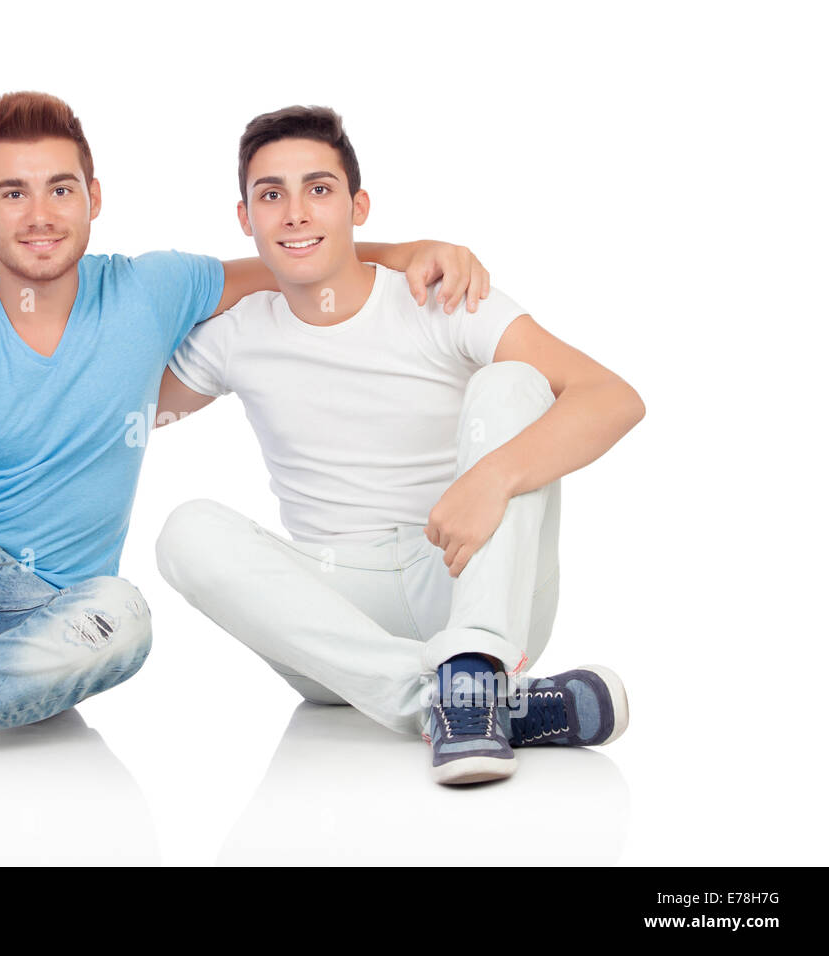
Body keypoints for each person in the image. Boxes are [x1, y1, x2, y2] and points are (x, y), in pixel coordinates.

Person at [0, 90, 494, 832]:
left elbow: (302, 259)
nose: (39, 214)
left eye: (60, 188)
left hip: (54, 621)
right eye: (13, 192)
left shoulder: (151, 290)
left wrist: (414, 246)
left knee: (127, 619)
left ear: (94, 198)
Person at [146, 105, 646, 785]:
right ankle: (459, 704)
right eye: (271, 196)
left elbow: (611, 397)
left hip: (469, 577)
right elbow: (117, 414)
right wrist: (0, 310)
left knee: (513, 383)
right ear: (246, 219)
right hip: (340, 626)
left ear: (358, 206)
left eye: (318, 190)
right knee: (185, 531)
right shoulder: (235, 333)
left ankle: (474, 671)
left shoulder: (438, 297)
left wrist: (491, 478)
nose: (295, 213)